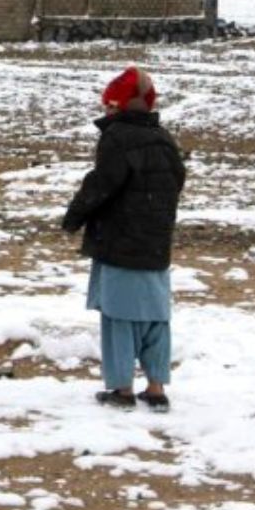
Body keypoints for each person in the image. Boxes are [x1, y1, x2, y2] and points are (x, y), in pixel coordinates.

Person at [63, 67, 185, 413]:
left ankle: (122, 389)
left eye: (109, 103)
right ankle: (157, 388)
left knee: (119, 316)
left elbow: (102, 185)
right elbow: (177, 180)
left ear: (118, 105)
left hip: (120, 243)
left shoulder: (116, 137)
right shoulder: (163, 138)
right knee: (155, 318)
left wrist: (74, 218)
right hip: (156, 244)